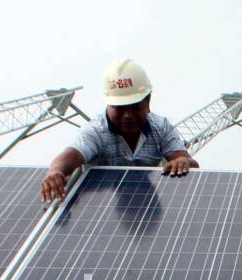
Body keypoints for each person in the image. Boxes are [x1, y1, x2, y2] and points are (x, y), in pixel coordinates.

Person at [40, 58, 197, 203]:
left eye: (135, 107)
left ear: (148, 101)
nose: (127, 115)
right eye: (120, 108)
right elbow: (72, 154)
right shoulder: (95, 131)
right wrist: (55, 171)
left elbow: (189, 163)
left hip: (145, 200)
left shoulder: (160, 127)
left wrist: (184, 162)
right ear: (108, 104)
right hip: (97, 210)